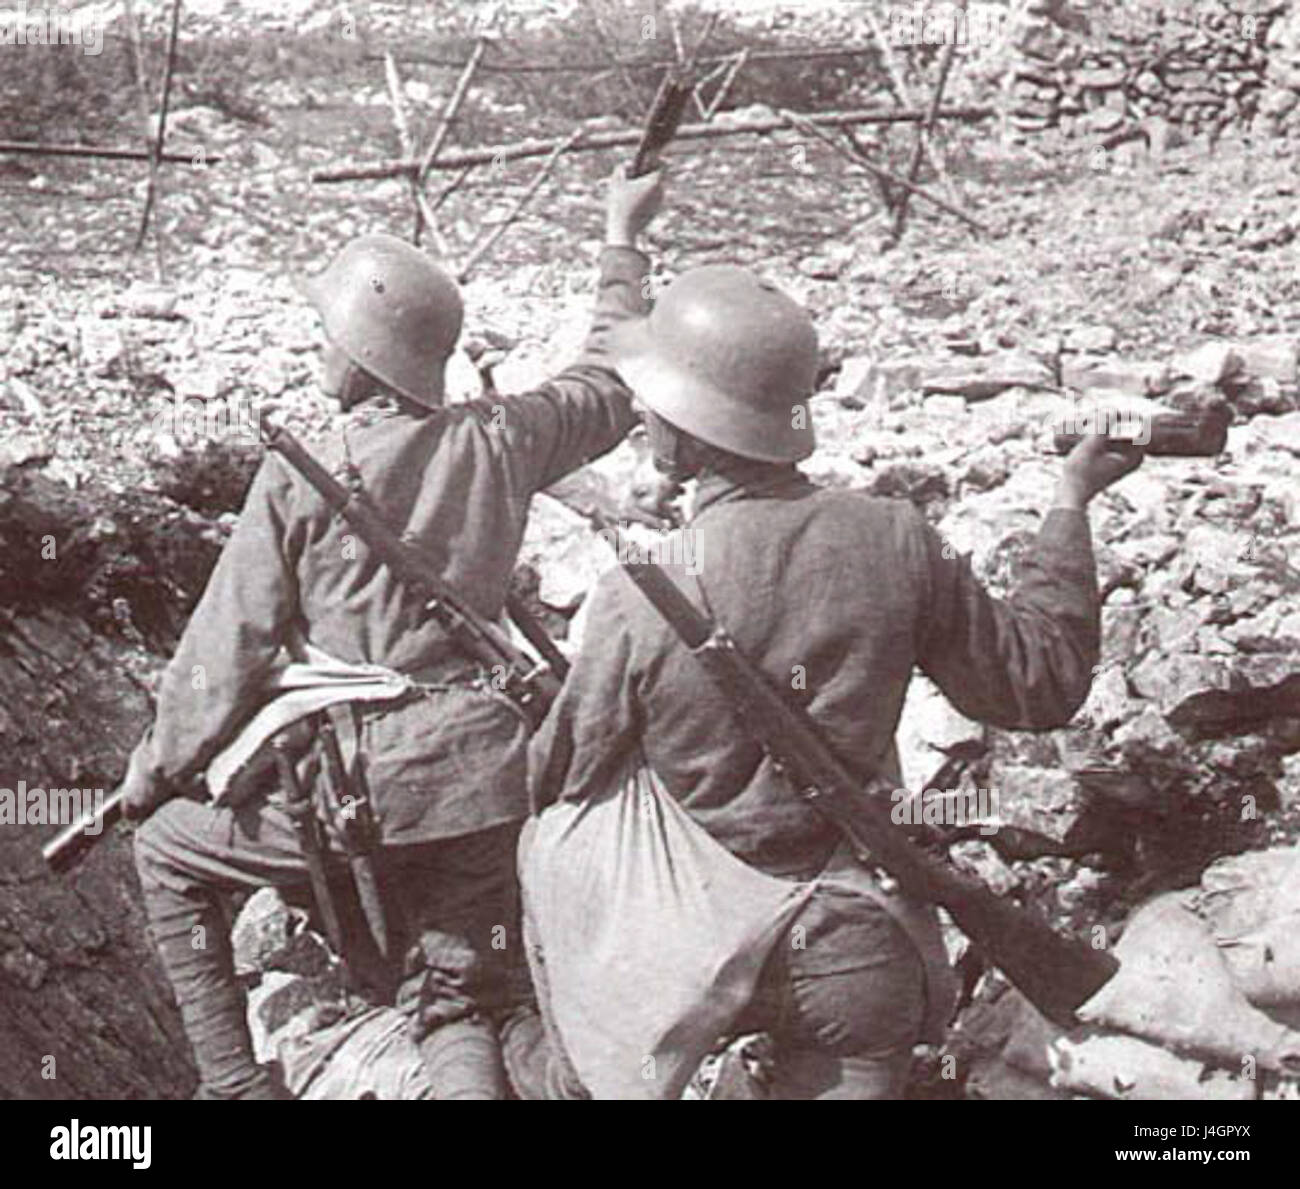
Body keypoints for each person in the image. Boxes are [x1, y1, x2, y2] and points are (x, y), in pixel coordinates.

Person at [521, 263, 1144, 1099]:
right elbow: (1038, 684)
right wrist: (1069, 499)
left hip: (684, 967)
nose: (638, 411)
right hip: (859, 958)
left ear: (690, 427)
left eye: (652, 399)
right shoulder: (894, 535)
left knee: (547, 869)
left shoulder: (646, 585)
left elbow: (563, 773)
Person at [122, 165, 665, 1100]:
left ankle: (232, 1085)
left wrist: (153, 771)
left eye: (328, 336)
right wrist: (623, 236)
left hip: (366, 792)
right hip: (492, 785)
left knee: (165, 850)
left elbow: (226, 653)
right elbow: (612, 379)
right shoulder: (502, 437)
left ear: (364, 354)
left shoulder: (303, 471)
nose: (318, 351)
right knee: (460, 999)